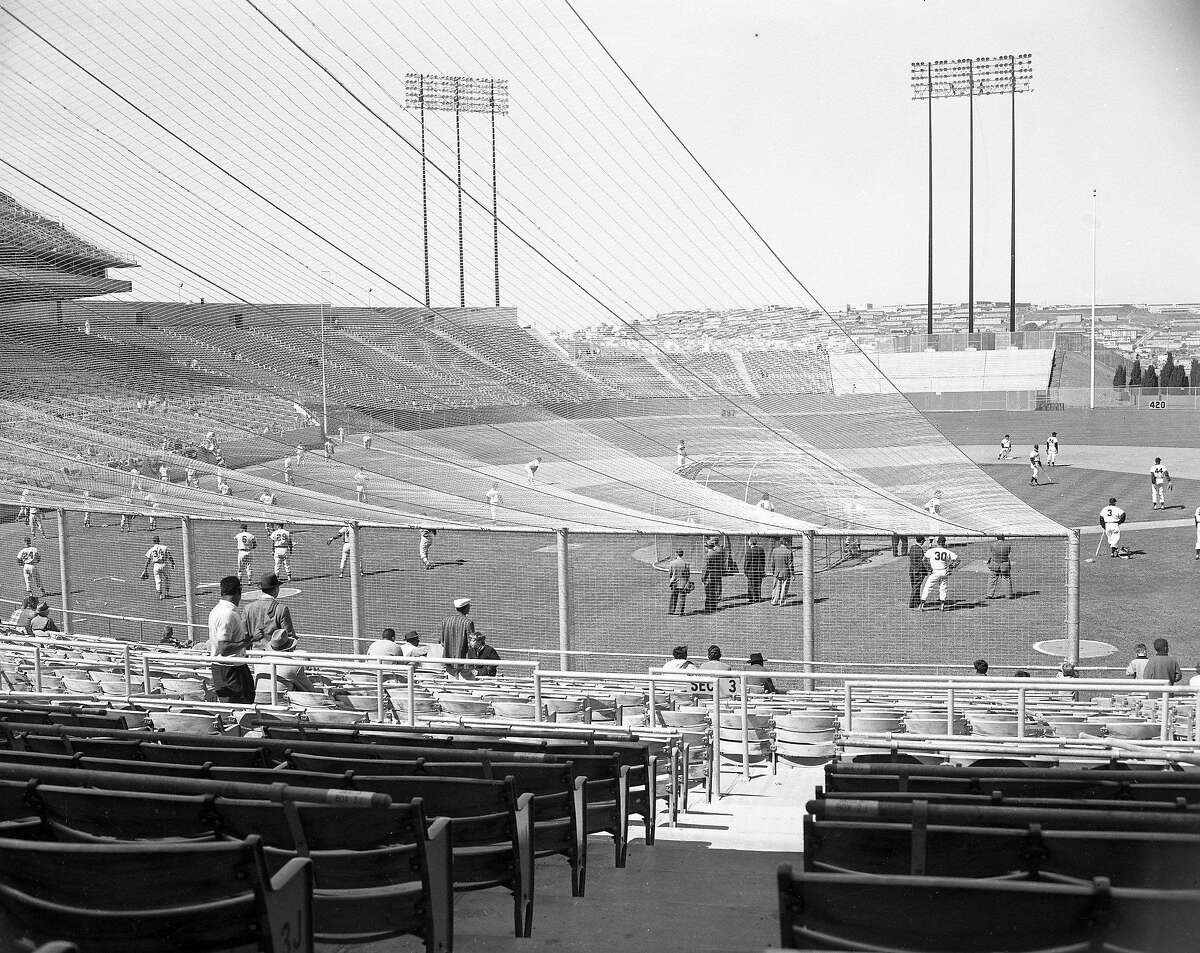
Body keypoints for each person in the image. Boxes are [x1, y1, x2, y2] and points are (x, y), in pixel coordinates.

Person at [208, 576, 254, 704]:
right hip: (231, 669)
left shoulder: (216, 610)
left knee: (233, 708)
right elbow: (224, 648)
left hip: (224, 667)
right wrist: (246, 642)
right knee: (240, 706)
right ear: (239, 591)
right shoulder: (227, 613)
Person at [253, 632, 317, 702]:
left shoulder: (258, 663)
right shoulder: (294, 666)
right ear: (290, 648)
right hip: (282, 709)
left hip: (256, 706)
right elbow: (311, 692)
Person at [243, 572, 296, 647]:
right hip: (274, 656)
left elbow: (244, 637)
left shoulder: (247, 608)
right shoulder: (281, 609)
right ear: (276, 589)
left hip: (253, 656)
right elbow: (289, 637)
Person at [920, 535, 958, 612]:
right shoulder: (947, 551)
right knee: (943, 588)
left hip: (935, 571)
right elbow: (958, 560)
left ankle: (921, 606)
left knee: (927, 587)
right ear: (944, 543)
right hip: (944, 571)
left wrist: (929, 569)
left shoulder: (931, 550)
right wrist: (951, 568)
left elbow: (924, 560)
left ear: (937, 542)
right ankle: (942, 606)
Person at [439, 598, 475, 676]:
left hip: (448, 662)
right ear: (466, 608)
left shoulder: (445, 621)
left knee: (451, 685)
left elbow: (442, 642)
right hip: (463, 663)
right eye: (469, 607)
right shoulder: (468, 622)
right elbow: (472, 644)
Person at [141, 535, 176, 600]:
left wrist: (145, 569)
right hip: (164, 564)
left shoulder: (151, 549)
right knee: (167, 579)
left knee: (158, 580)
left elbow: (148, 560)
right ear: (159, 540)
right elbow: (169, 556)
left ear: (153, 541)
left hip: (156, 566)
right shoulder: (164, 547)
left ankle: (160, 595)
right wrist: (173, 563)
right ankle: (167, 594)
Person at [662, 548, 691, 616]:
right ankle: (681, 612)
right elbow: (688, 574)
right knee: (682, 597)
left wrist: (672, 578)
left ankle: (671, 610)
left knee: (673, 596)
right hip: (683, 582)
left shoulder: (672, 563)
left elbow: (670, 573)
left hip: (675, 581)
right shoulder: (686, 563)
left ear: (677, 554)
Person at [986, 535, 1014, 599]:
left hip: (995, 563)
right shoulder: (1008, 545)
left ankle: (989, 594)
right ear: (1003, 537)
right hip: (1005, 564)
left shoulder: (992, 544)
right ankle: (1008, 594)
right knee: (1006, 579)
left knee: (992, 579)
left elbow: (991, 553)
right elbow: (1008, 553)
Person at [701, 540, 725, 613]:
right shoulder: (717, 554)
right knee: (714, 591)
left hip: (709, 576)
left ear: (707, 547)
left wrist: (703, 578)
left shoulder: (707, 555)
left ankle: (708, 608)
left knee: (708, 592)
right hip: (717, 575)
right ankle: (714, 606)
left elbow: (705, 568)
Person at [769, 538, 794, 607]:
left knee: (776, 587)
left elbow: (772, 563)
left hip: (777, 572)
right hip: (786, 572)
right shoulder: (789, 552)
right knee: (784, 588)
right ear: (786, 542)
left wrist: (773, 571)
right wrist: (793, 574)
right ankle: (782, 602)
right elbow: (790, 564)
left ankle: (774, 601)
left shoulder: (775, 550)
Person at [906, 535, 927, 609]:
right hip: (918, 571)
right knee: (916, 587)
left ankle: (917, 601)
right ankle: (912, 603)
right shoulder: (919, 549)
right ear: (921, 541)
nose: (924, 542)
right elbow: (923, 561)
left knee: (914, 586)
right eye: (923, 541)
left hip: (912, 570)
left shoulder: (912, 547)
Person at [743, 537, 766, 603]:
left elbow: (746, 562)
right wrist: (763, 570)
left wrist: (745, 570)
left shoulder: (749, 551)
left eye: (748, 542)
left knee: (751, 584)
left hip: (750, 571)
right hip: (759, 570)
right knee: (758, 584)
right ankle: (758, 598)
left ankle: (751, 598)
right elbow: (763, 561)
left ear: (750, 542)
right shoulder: (761, 550)